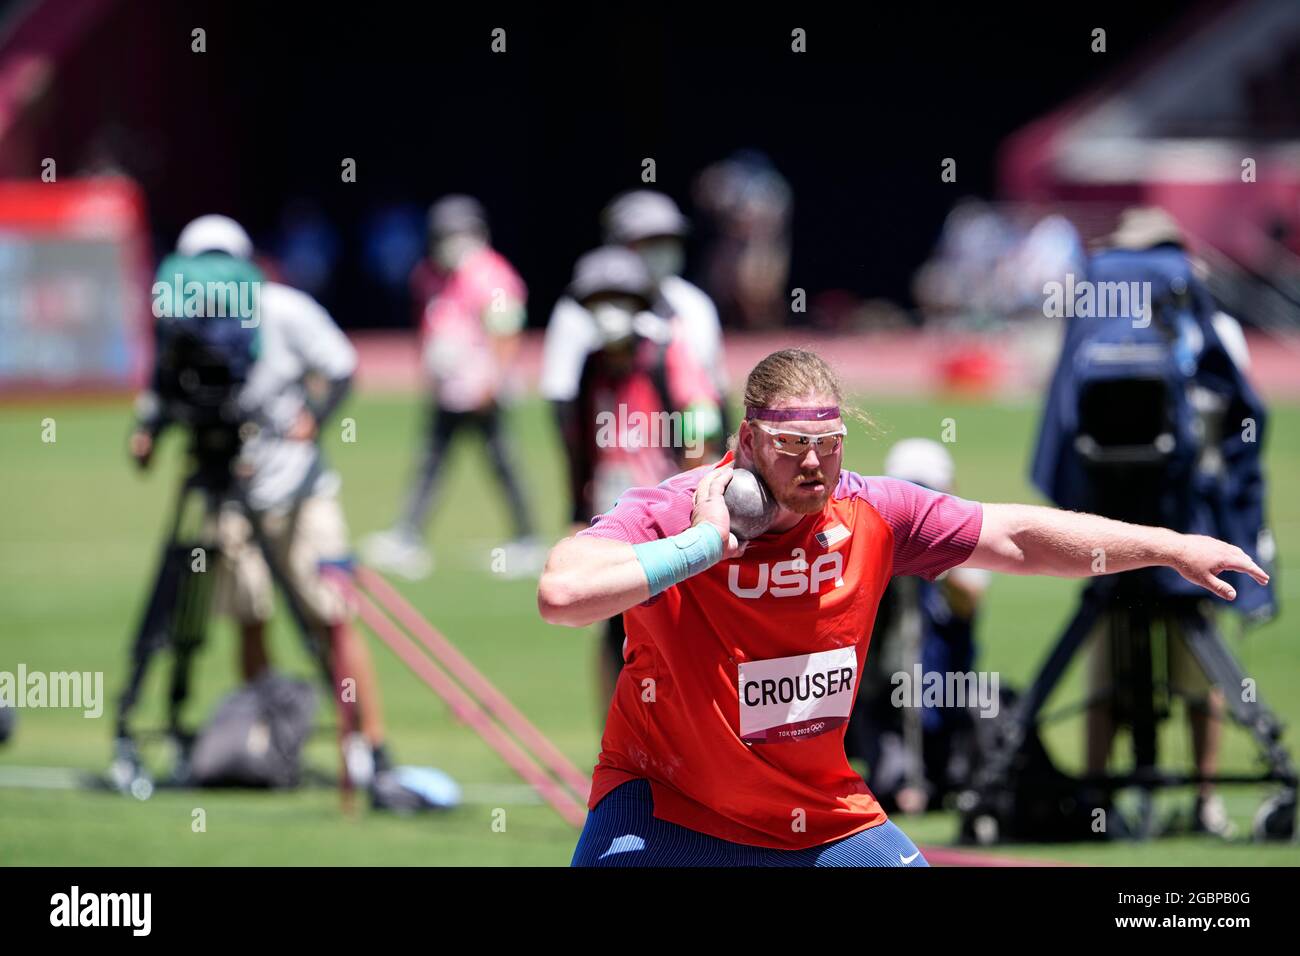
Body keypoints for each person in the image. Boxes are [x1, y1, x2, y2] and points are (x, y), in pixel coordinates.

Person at [538, 348, 1268, 867]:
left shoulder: (872, 513)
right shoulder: (678, 512)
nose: (814, 463)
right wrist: (703, 547)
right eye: (792, 445)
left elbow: (1015, 536)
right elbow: (562, 595)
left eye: (828, 442)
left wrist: (1169, 546)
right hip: (668, 808)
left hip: (819, 815)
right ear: (749, 440)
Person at [129, 213, 391, 786]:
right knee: (249, 619)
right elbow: (165, 387)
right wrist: (148, 430)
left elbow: (342, 366)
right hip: (227, 488)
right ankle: (270, 739)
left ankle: (370, 746)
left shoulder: (284, 309)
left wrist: (314, 418)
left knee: (331, 619)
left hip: (300, 491)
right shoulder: (182, 321)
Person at [557, 246, 721, 710]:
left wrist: (696, 502)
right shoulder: (591, 368)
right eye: (598, 301)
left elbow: (701, 424)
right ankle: (618, 743)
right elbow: (582, 446)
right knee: (614, 635)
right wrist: (577, 513)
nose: (609, 312)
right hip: (612, 521)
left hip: (668, 522)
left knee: (676, 637)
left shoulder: (666, 358)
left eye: (620, 299)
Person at [362, 195, 539, 580]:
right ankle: (408, 536)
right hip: (448, 389)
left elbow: (506, 329)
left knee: (502, 462)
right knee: (431, 461)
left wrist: (493, 381)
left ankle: (527, 539)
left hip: (481, 392)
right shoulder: (429, 273)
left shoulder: (492, 275)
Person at [846, 439, 990, 815]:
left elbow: (970, 598)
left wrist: (930, 556)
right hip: (885, 705)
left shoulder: (963, 543)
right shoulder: (867, 548)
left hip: (947, 703)